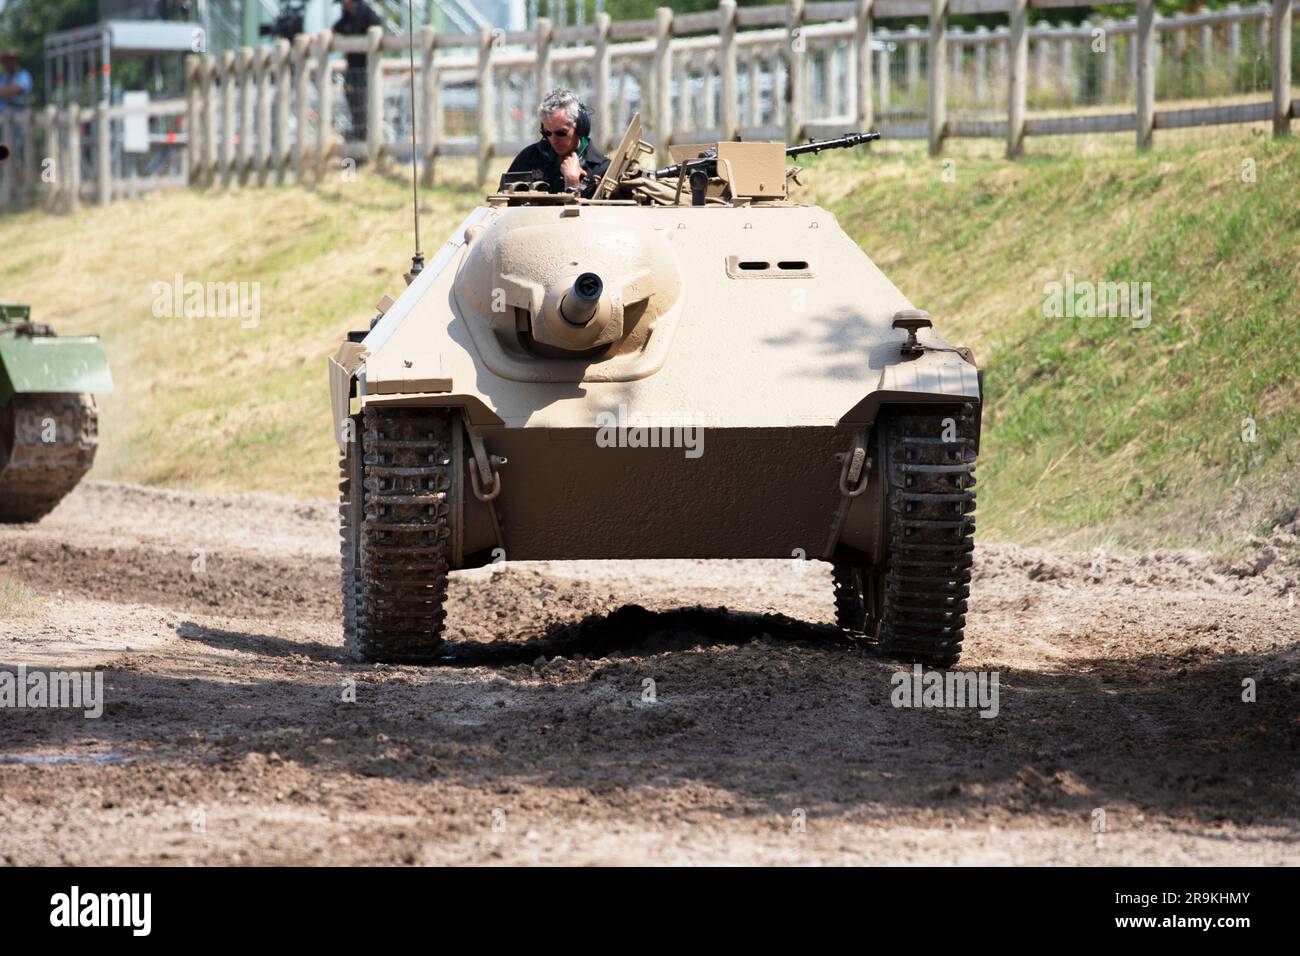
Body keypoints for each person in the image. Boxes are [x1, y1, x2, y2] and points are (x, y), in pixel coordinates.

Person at [507, 89, 610, 199]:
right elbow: (503, 203)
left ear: (580, 128)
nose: (553, 140)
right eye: (547, 133)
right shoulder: (529, 158)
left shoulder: (602, 170)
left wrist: (572, 184)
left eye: (561, 133)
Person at [332, 0, 383, 145]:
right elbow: (335, 29)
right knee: (355, 108)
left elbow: (377, 28)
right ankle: (361, 141)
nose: (343, 4)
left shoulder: (367, 14)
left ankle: (368, 142)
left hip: (366, 72)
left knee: (365, 108)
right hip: (353, 71)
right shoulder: (346, 16)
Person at [0, 49, 33, 115]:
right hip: (2, 116)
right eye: (5, 60)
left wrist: (4, 92)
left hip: (19, 115)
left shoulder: (24, 75)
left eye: (11, 60)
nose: (8, 62)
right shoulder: (2, 78)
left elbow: (18, 89)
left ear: (17, 61)